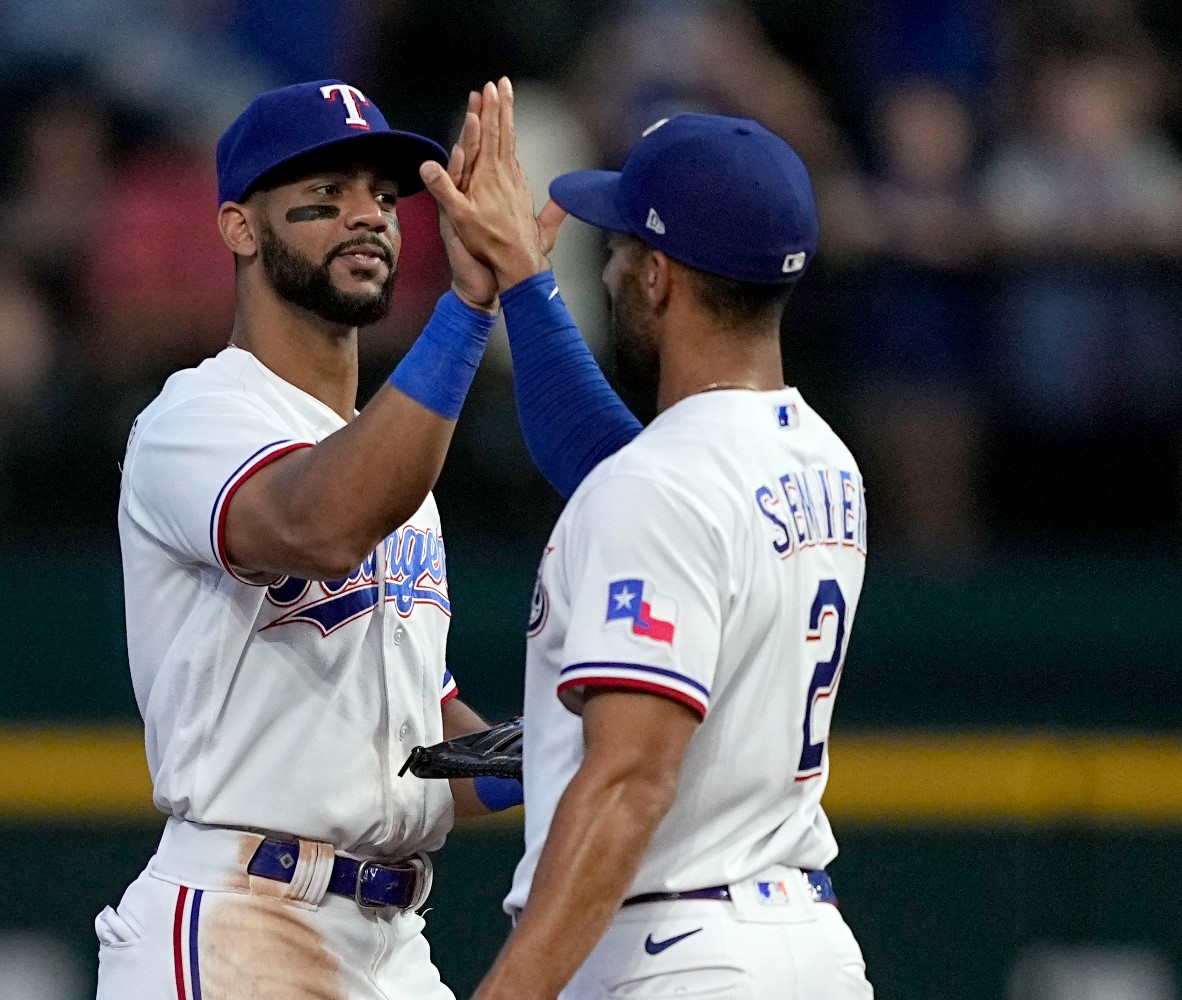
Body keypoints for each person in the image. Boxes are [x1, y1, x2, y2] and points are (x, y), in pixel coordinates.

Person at [425, 89, 874, 998]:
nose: (609, 266)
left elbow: (628, 781)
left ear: (662, 277)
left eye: (623, 246)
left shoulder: (660, 486)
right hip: (807, 944)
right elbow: (617, 465)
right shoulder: (824, 458)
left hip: (676, 950)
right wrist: (521, 281)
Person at [98, 79, 523, 1000]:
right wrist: (470, 305)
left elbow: (426, 744)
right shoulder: (198, 415)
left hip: (393, 936)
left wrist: (563, 749)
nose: (365, 217)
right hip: (240, 918)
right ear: (239, 230)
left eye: (381, 195)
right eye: (324, 198)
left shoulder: (395, 459)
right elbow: (319, 526)